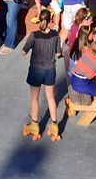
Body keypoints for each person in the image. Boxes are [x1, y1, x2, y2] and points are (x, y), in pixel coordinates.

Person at [20, 8, 64, 140]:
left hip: (36, 69)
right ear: (51, 20)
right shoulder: (56, 34)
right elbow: (58, 53)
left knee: (35, 98)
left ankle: (34, 125)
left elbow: (23, 52)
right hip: (50, 69)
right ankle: (54, 125)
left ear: (39, 20)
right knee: (51, 97)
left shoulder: (34, 35)